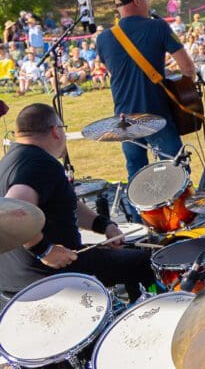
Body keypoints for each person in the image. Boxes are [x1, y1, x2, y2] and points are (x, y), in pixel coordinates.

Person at [0, 104, 154, 299]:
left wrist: (103, 225)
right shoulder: (38, 164)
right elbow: (11, 213)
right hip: (47, 275)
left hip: (12, 279)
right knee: (146, 262)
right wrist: (45, 250)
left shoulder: (11, 160)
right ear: (55, 131)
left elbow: (65, 202)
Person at [96, 0, 197, 182]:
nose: (148, 3)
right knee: (176, 171)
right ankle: (180, 213)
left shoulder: (103, 38)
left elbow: (115, 71)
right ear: (137, 1)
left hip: (124, 118)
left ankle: (139, 214)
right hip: (155, 113)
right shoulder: (158, 26)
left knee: (136, 174)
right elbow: (188, 68)